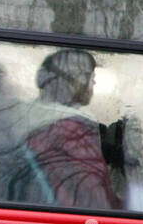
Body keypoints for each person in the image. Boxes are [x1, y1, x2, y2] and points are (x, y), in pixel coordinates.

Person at [19, 49, 121, 209]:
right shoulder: (76, 131)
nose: (93, 83)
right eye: (91, 77)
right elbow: (94, 197)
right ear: (76, 79)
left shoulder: (23, 121)